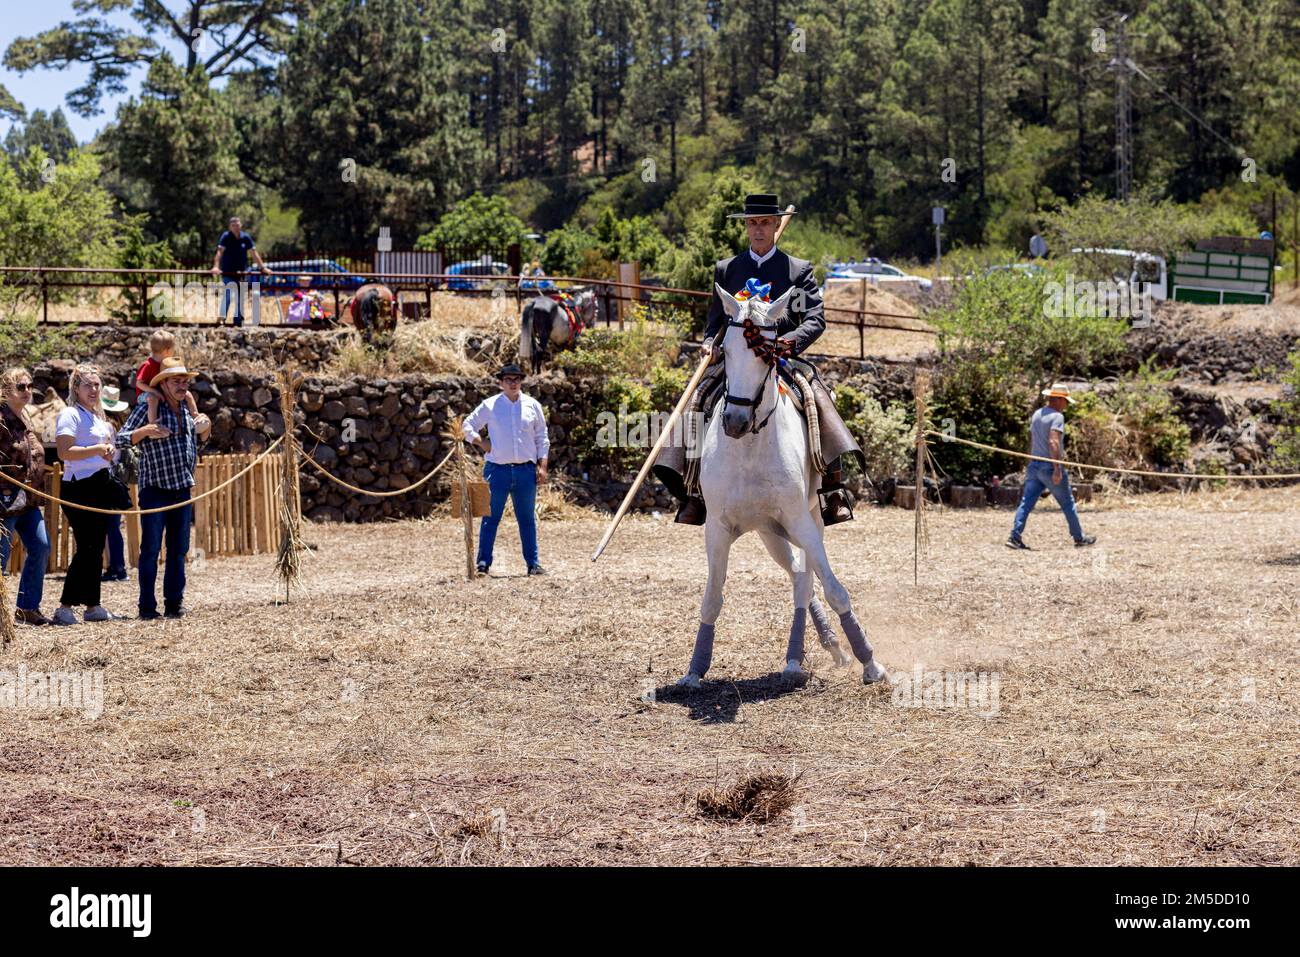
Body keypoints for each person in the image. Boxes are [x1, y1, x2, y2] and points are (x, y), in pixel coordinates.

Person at [653, 192, 863, 526]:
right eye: (753, 223)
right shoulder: (727, 269)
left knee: (817, 396)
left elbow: (815, 320)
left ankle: (832, 489)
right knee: (697, 401)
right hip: (736, 362)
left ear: (777, 224)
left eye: (765, 223)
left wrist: (785, 344)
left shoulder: (798, 270)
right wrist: (709, 344)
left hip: (780, 359)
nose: (758, 229)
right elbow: (714, 321)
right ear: (746, 227)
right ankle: (693, 492)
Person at [116, 357, 212, 619]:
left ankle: (174, 603)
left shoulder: (187, 410)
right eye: (176, 381)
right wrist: (145, 430)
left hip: (182, 488)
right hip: (155, 489)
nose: (182, 386)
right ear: (164, 383)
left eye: (185, 381)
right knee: (150, 549)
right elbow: (121, 439)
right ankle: (147, 607)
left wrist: (206, 429)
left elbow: (198, 442)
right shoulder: (149, 407)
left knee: (178, 549)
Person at [462, 363, 549, 577]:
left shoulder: (532, 405)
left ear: (521, 381)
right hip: (497, 470)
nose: (513, 383)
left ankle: (533, 564)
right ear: (501, 382)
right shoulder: (490, 406)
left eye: (517, 379)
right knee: (490, 518)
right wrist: (481, 443)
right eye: (508, 379)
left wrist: (543, 465)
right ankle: (483, 564)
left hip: (525, 471)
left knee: (527, 519)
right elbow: (467, 425)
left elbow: (542, 436)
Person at [52, 364, 120, 625]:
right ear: (75, 388)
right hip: (79, 485)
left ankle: (92, 605)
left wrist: (107, 451)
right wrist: (97, 449)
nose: (93, 389)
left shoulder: (97, 418)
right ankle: (65, 606)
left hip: (100, 483)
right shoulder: (70, 414)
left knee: (95, 546)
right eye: (87, 385)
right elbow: (64, 452)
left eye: (96, 385)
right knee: (88, 546)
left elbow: (101, 450)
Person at [1007, 386, 1097, 550]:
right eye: (1065, 401)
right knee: (1067, 503)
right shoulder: (1057, 417)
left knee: (1026, 502)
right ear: (1059, 400)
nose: (1066, 405)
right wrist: (1057, 469)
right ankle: (1079, 537)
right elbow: (1053, 442)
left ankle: (1014, 536)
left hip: (1034, 465)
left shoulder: (1037, 414)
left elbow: (1034, 440)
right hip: (1049, 466)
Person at [0, 367, 52, 625]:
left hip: (28, 501)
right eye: (21, 386)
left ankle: (27, 607)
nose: (27, 391)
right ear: (7, 390)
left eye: (29, 386)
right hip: (4, 501)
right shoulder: (0, 420)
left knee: (41, 547)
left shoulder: (27, 418)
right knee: (0, 559)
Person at [210, 216, 273, 327]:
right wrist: (216, 266)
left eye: (238, 225)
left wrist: (262, 268)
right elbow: (219, 252)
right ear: (230, 227)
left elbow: (254, 253)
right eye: (233, 225)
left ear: (241, 226)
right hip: (228, 272)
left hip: (241, 273)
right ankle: (222, 318)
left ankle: (238, 321)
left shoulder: (245, 238)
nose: (236, 227)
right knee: (229, 293)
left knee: (240, 296)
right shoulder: (226, 237)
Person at [136, 329, 199, 427]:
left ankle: (196, 417)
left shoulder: (165, 364)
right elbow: (139, 383)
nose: (174, 351)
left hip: (160, 391)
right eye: (173, 349)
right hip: (145, 394)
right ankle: (153, 425)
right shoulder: (147, 365)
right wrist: (154, 391)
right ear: (167, 350)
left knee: (188, 394)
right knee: (153, 399)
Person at [101, 385, 131, 582]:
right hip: (117, 477)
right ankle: (117, 566)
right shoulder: (120, 425)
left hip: (108, 477)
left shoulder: (106, 427)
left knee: (110, 525)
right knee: (113, 525)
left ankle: (117, 567)